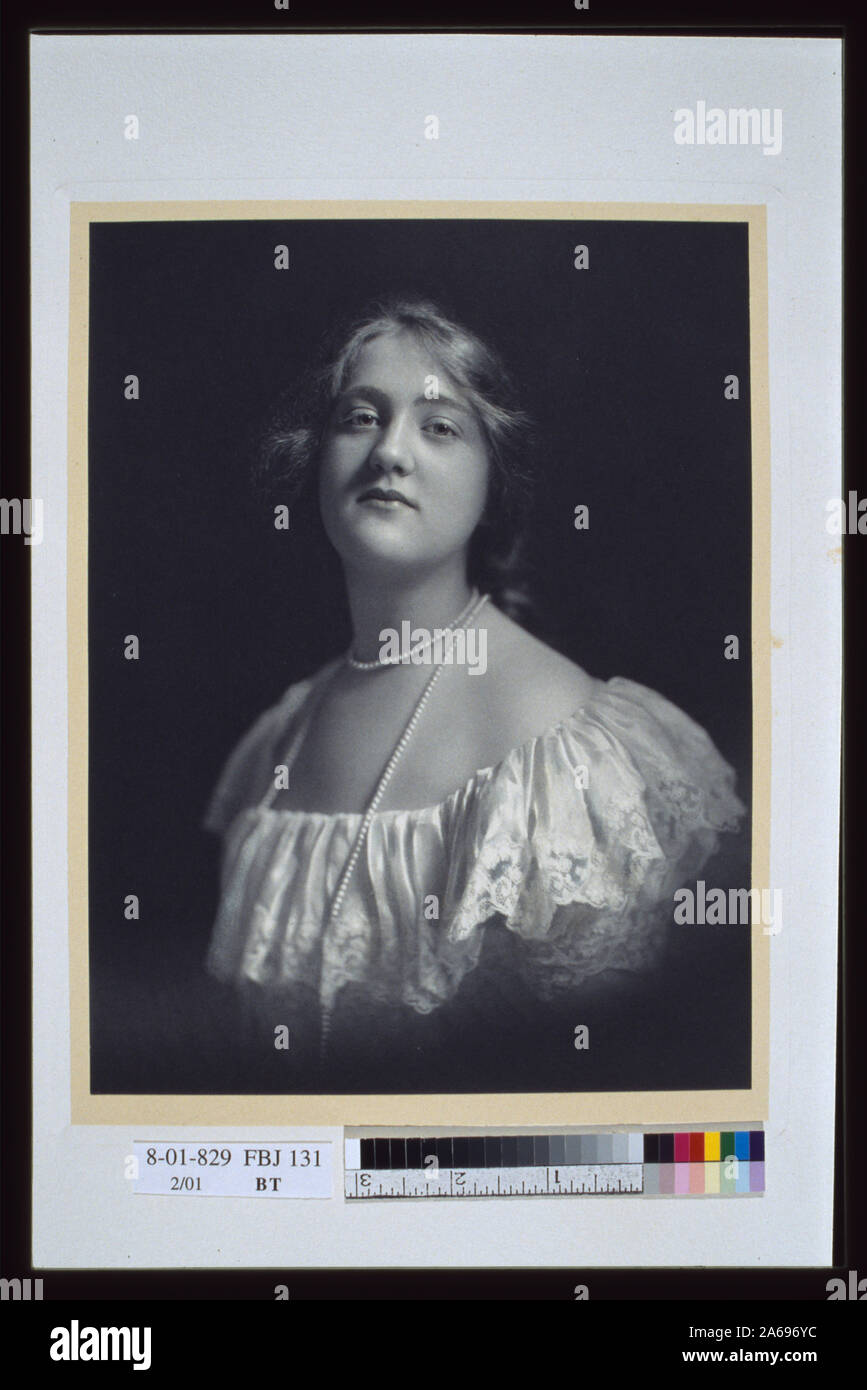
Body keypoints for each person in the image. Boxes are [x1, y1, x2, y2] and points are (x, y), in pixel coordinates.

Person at [203, 297, 747, 1087]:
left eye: (438, 426)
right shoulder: (277, 740)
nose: (389, 452)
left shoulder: (565, 748)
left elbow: (607, 1081)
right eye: (360, 418)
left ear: (493, 480)